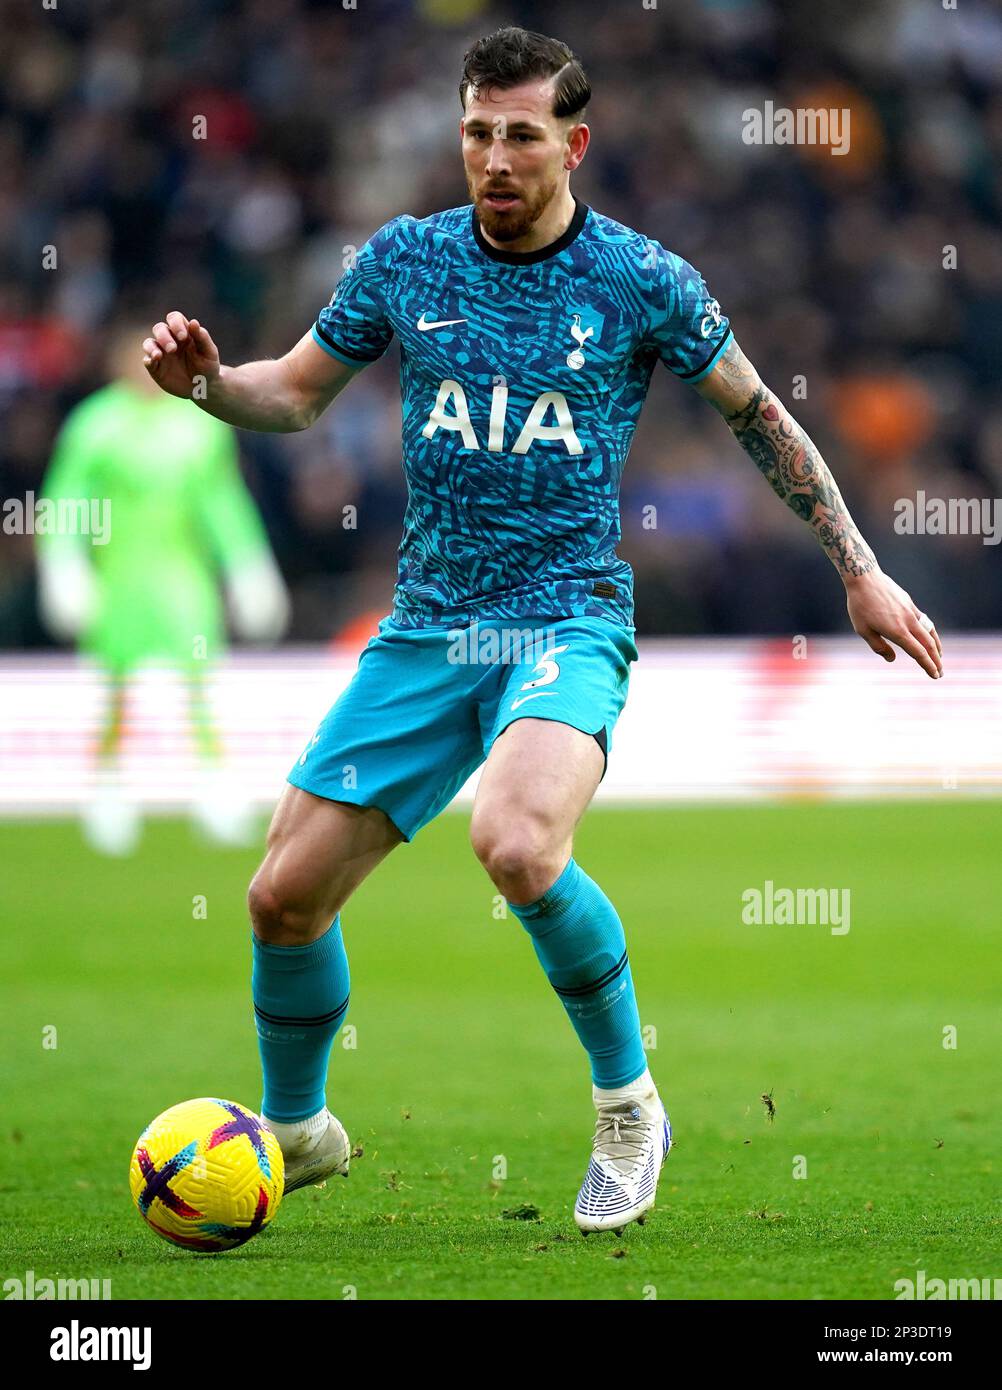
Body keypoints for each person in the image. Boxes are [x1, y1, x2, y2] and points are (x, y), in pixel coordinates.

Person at [141, 27, 943, 1235]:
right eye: (477, 132)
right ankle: (298, 1132)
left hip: (566, 618)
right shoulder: (405, 261)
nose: (495, 158)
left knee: (516, 843)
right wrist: (208, 382)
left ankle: (629, 1104)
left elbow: (764, 416)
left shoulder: (640, 279)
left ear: (573, 142)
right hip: (428, 629)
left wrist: (859, 567)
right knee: (281, 899)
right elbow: (294, 394)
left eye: (521, 135)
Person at [38, 318, 289, 854]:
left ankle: (212, 781)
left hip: (183, 578)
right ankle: (107, 785)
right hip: (120, 577)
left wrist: (248, 566)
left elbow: (222, 504)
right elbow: (67, 500)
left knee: (199, 681)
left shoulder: (199, 426)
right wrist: (63, 565)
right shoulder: (95, 425)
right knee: (115, 685)